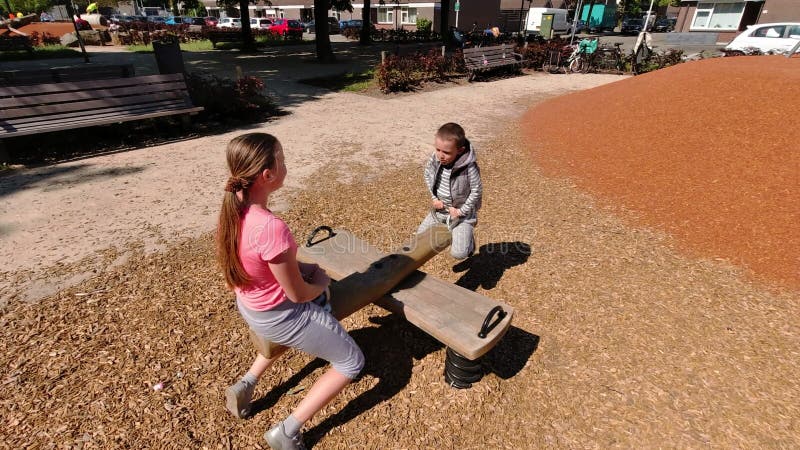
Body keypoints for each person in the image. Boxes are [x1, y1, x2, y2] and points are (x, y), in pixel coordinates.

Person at [217, 133, 364, 450]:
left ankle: (247, 384)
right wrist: (322, 282)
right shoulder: (270, 227)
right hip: (282, 316)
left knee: (298, 325)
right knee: (351, 362)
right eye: (282, 159)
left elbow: (261, 263)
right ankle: (287, 431)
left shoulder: (233, 209)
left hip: (252, 307)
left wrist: (299, 269)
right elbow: (299, 295)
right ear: (267, 175)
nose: (287, 165)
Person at [416, 123, 482, 260]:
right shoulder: (435, 159)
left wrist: (461, 211)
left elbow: (476, 190)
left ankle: (468, 242)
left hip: (461, 215)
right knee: (420, 238)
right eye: (438, 149)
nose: (441, 156)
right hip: (440, 211)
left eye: (446, 152)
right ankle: (460, 236)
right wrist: (434, 198)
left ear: (460, 150)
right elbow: (428, 174)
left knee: (459, 253)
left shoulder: (469, 167)